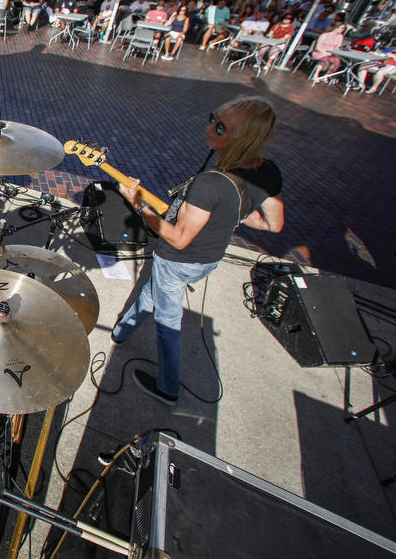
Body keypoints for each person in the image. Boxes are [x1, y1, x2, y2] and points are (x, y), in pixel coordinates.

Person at [111, 96, 284, 405]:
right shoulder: (269, 172)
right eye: (213, 117)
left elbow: (177, 239)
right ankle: (121, 331)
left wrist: (138, 206)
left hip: (179, 260)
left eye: (220, 126)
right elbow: (271, 222)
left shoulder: (211, 184)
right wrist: (230, 214)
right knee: (153, 291)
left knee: (168, 322)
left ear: (242, 137)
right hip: (209, 259)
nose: (209, 128)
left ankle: (168, 387)